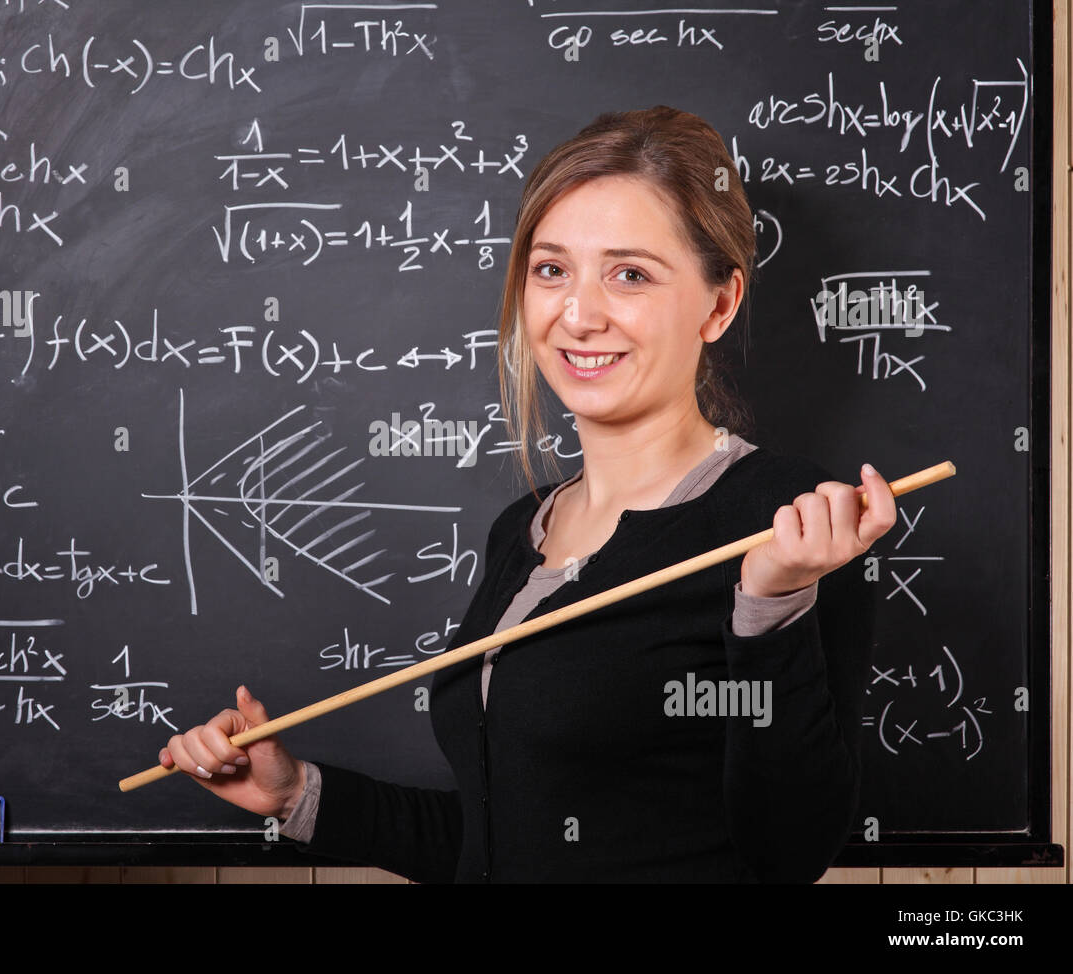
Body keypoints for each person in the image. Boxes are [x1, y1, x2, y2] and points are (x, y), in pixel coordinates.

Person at [159, 106, 897, 883]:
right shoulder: (524, 530)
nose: (578, 316)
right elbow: (500, 838)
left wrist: (774, 607)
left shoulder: (789, 520)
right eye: (551, 270)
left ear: (718, 306)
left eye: (631, 274)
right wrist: (295, 795)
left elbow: (789, 852)